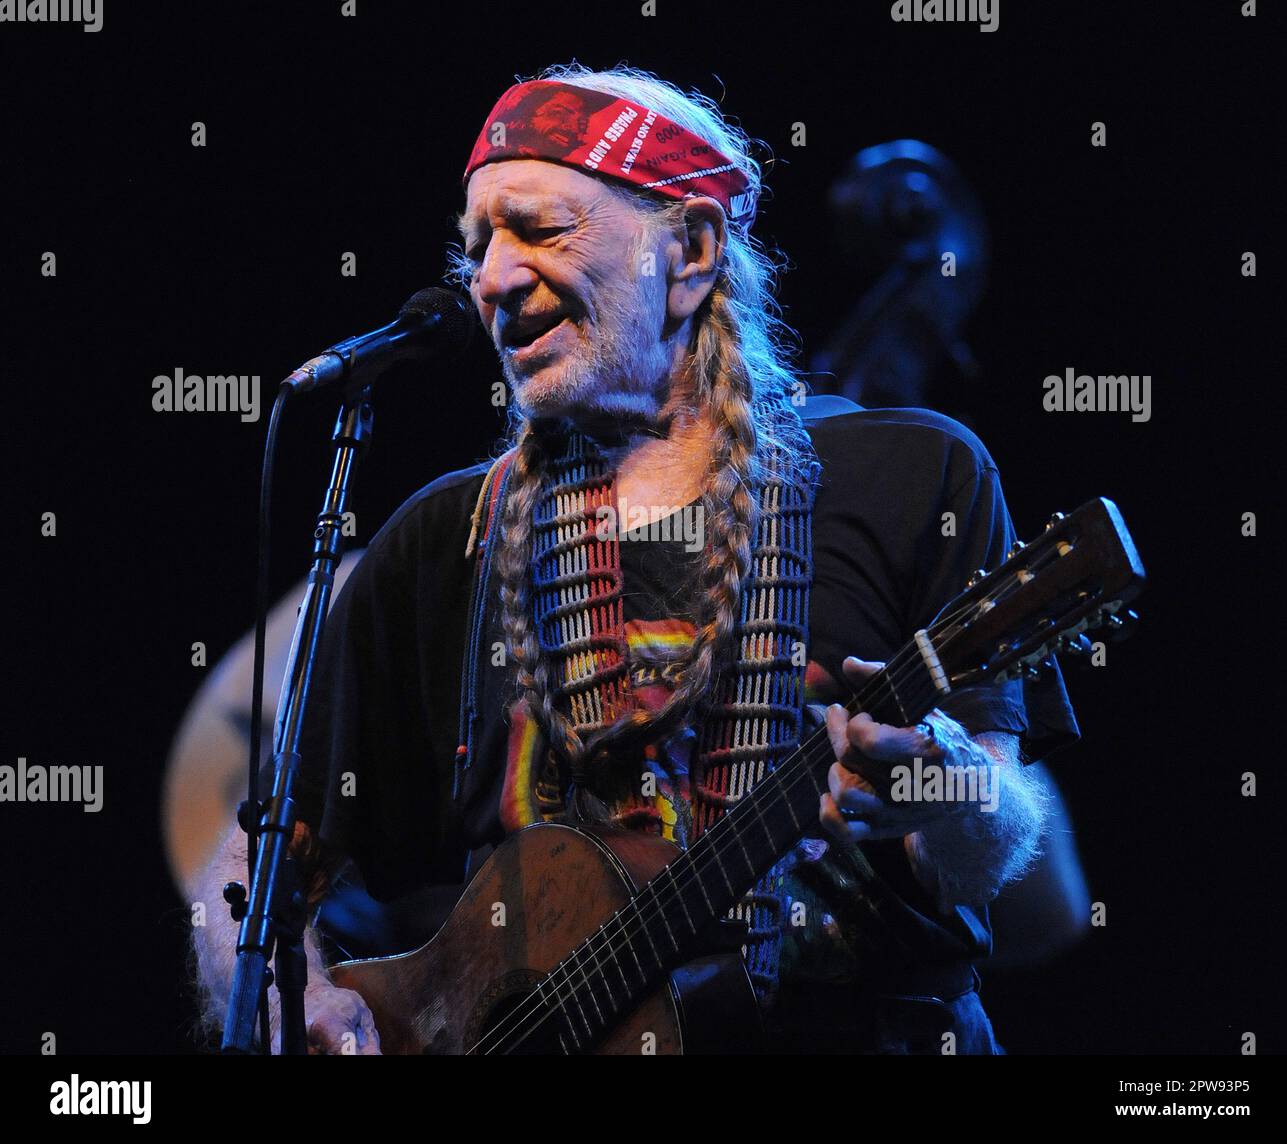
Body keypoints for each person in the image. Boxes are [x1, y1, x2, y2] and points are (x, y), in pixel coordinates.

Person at [192, 63, 1077, 1055]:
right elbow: (247, 866)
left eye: (539, 227)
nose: (487, 278)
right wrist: (297, 997)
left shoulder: (914, 473)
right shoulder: (448, 537)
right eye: (477, 244)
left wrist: (931, 780)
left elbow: (998, 818)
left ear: (691, 252)